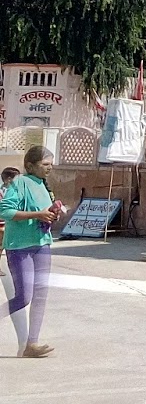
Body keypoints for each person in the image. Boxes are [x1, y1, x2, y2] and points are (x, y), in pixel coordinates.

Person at [2, 147, 64, 358]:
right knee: (24, 297)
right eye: (45, 164)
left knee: (41, 294)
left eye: (51, 164)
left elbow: (43, 213)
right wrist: (38, 214)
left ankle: (32, 343)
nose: (50, 168)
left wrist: (51, 215)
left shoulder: (43, 186)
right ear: (30, 165)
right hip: (19, 246)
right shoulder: (19, 182)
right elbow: (5, 210)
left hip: (42, 244)